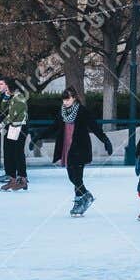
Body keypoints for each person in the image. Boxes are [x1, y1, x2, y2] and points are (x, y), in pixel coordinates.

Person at [42, 87, 112, 216]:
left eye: (67, 99)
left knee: (77, 177)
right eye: (64, 99)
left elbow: (94, 126)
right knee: (71, 177)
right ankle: (85, 196)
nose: (65, 102)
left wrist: (105, 140)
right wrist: (37, 137)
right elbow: (53, 127)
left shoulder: (82, 111)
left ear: (74, 98)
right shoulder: (62, 112)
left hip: (80, 148)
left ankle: (80, 201)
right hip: (66, 148)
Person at [0, 78, 29, 191]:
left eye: (6, 86)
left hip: (19, 128)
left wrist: (2, 123)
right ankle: (12, 178)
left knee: (17, 152)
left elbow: (12, 114)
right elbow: (4, 109)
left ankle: (22, 179)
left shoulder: (19, 97)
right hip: (12, 128)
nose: (5, 88)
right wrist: (5, 97)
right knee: (9, 152)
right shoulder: (11, 97)